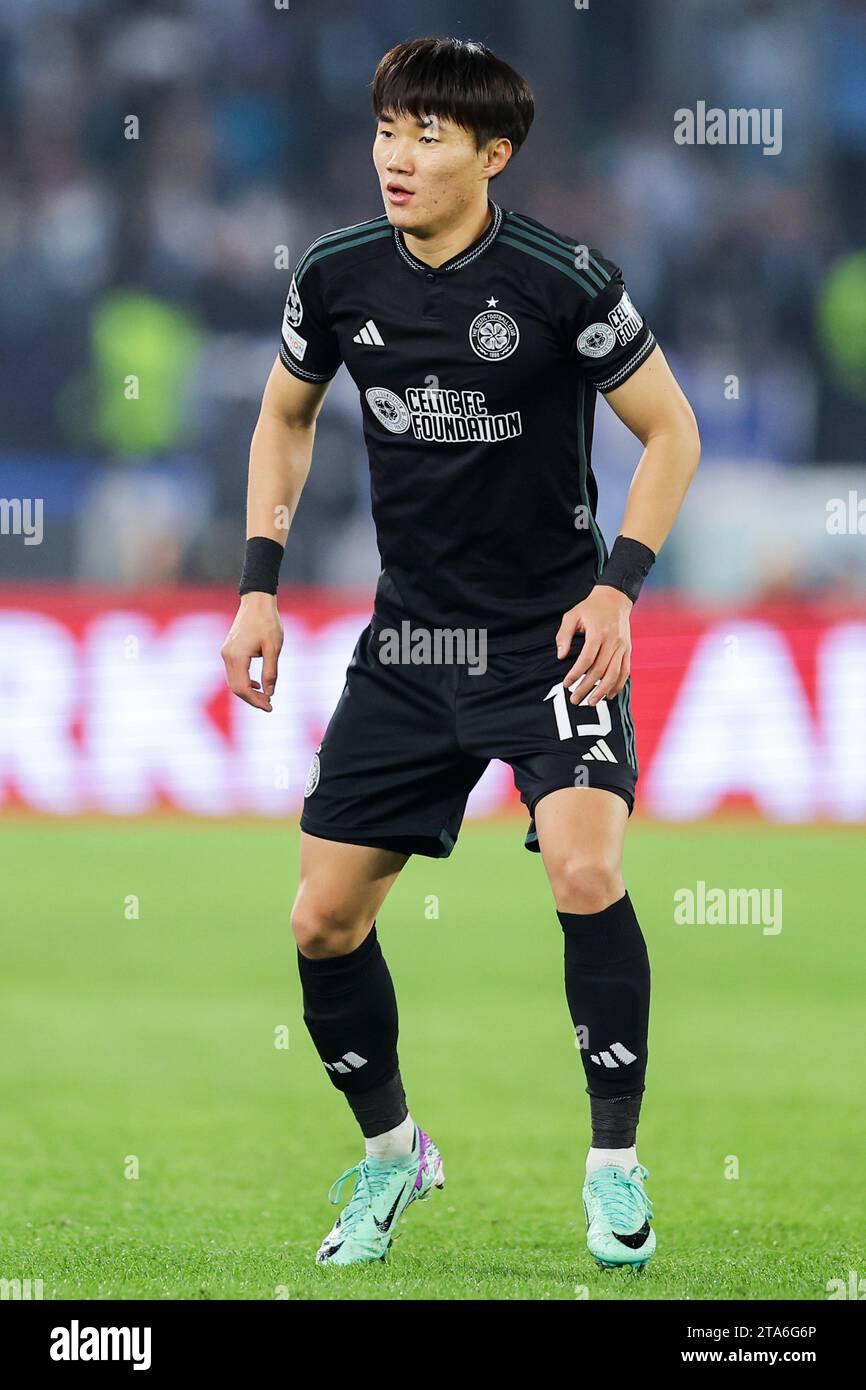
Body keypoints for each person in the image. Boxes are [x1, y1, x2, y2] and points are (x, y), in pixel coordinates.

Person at [220, 36, 700, 1270]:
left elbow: (669, 434)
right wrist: (259, 586)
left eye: (428, 136)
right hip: (406, 643)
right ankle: (393, 1156)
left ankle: (611, 1168)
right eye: (388, 129)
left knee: (585, 873)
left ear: (492, 156)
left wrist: (618, 589)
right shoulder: (333, 276)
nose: (396, 155)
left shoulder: (561, 280)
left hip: (551, 642)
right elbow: (284, 411)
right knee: (321, 923)